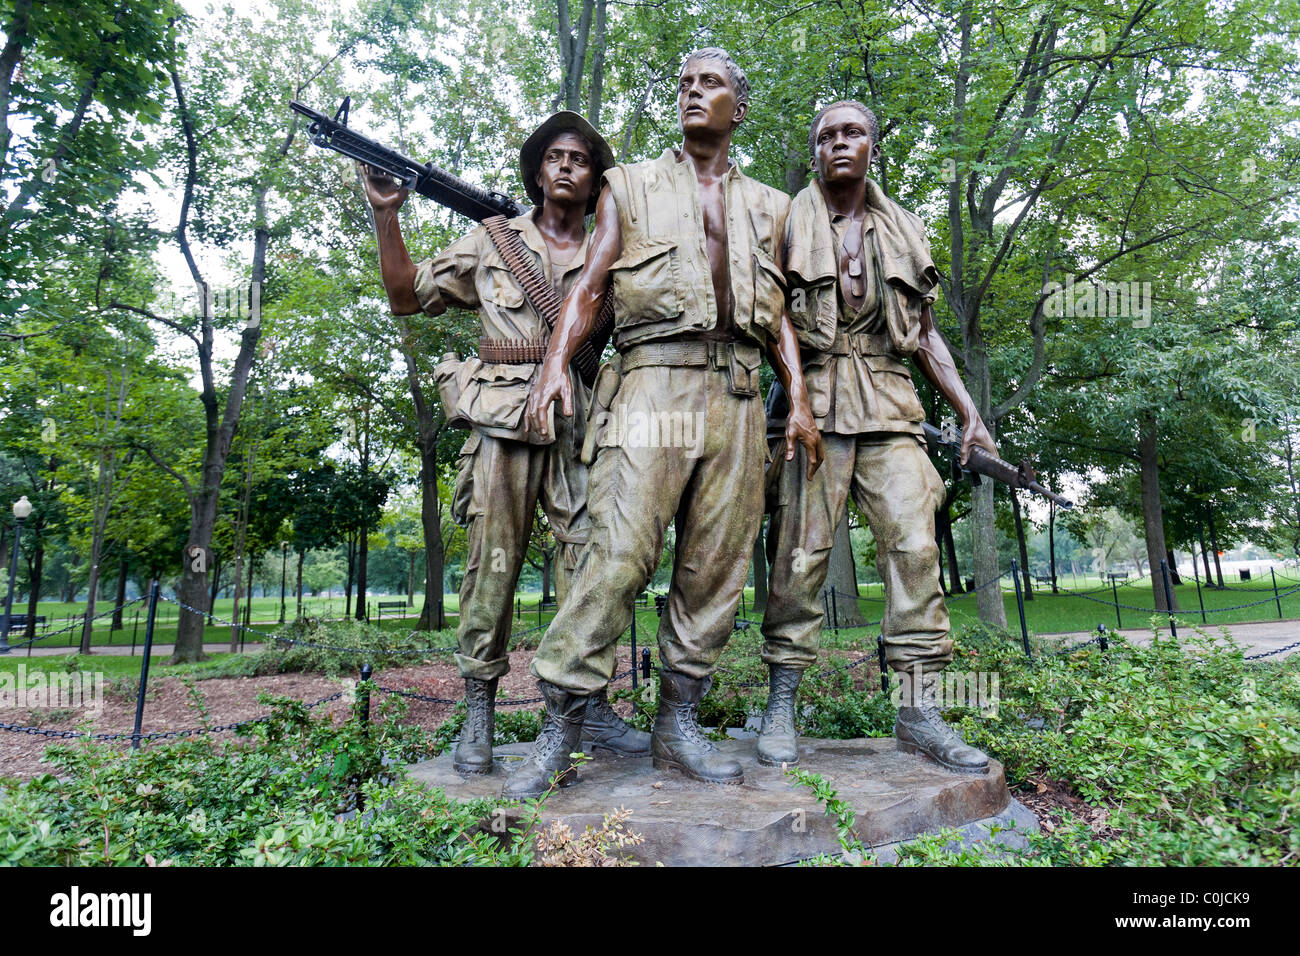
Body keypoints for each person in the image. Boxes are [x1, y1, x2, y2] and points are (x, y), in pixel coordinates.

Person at [503, 48, 823, 799]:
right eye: (683, 82)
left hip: (740, 395)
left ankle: (678, 724)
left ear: (737, 108)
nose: (692, 92)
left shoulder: (775, 206)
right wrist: (556, 360)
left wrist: (799, 397)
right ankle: (560, 724)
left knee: (716, 568)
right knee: (618, 554)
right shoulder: (631, 184)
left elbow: (778, 317)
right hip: (653, 383)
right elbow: (591, 281)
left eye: (709, 84)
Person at [360, 112, 649, 776]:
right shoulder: (494, 240)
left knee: (597, 564)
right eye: (555, 156)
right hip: (504, 418)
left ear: (596, 177)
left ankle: (590, 706)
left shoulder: (619, 247)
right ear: (538, 170)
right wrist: (385, 214)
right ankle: (479, 715)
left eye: (581, 157)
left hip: (583, 422)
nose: (567, 165)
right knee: (492, 567)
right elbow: (404, 296)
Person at [758, 100, 997, 773]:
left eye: (853, 132)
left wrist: (967, 409)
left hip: (891, 405)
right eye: (827, 134)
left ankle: (920, 712)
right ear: (814, 150)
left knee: (917, 545)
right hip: (816, 404)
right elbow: (771, 317)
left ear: (872, 146)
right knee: (800, 557)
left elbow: (923, 332)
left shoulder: (905, 228)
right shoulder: (784, 218)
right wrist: (796, 402)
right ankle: (781, 703)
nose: (840, 143)